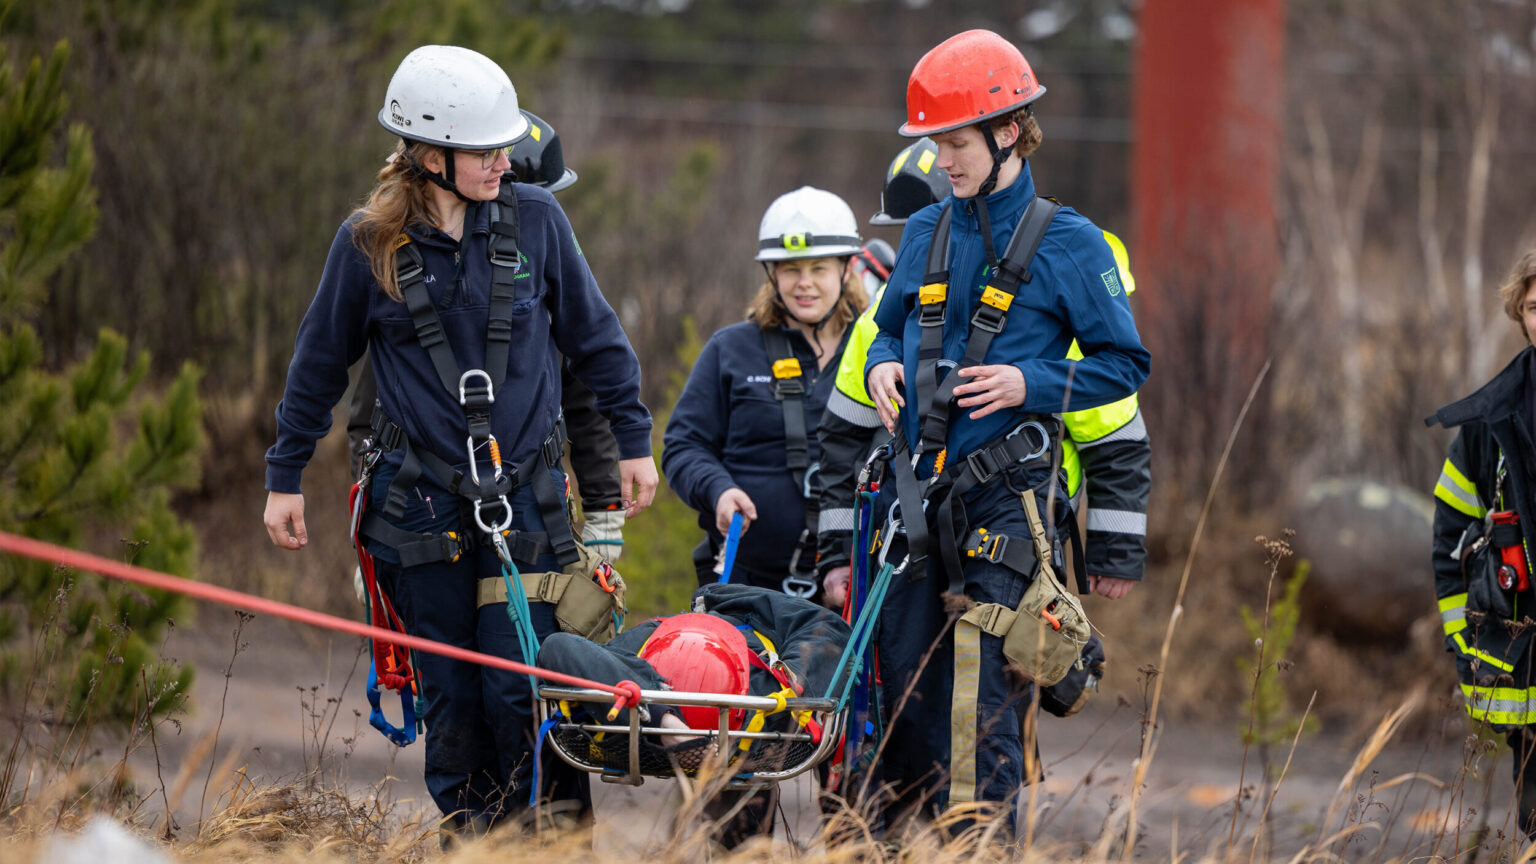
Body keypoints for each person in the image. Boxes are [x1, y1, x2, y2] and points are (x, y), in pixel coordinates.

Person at [261, 45, 658, 834]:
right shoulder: (368, 244)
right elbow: (318, 365)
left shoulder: (538, 220)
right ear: (429, 156)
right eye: (485, 151)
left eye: (503, 148)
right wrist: (285, 475)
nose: (504, 161)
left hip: (528, 506)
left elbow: (597, 338)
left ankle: (549, 844)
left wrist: (634, 439)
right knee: (454, 700)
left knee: (525, 686)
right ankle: (474, 843)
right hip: (421, 510)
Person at [861, 30, 1150, 834]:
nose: (942, 161)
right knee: (901, 707)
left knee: (980, 714)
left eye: (956, 143)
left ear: (1009, 132)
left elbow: (1127, 363)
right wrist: (882, 366)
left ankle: (979, 849)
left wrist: (1034, 383)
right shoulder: (925, 230)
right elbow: (886, 333)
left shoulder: (1071, 243)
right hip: (916, 506)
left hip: (1006, 512)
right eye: (935, 143)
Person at [817, 140, 1151, 612]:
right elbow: (841, 440)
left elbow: (1117, 441)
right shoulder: (882, 318)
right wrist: (838, 553)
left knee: (1007, 652)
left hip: (1020, 514)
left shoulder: (1053, 304)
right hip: (911, 515)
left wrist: (1115, 551)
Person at [344, 109, 628, 558]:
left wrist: (604, 506)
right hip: (424, 505)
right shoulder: (416, 281)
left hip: (526, 497)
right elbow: (370, 413)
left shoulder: (542, 278)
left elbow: (587, 390)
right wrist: (374, 512)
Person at [663, 187, 868, 601]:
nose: (804, 283)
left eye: (819, 268)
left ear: (847, 270)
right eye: (790, 269)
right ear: (772, 274)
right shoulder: (730, 350)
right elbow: (684, 446)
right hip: (746, 585)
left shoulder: (878, 351)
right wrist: (718, 490)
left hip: (854, 585)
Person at [1428, 249, 1536, 840]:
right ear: (1519, 314)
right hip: (1527, 661)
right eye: (1535, 306)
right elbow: (1450, 542)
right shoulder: (1488, 422)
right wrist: (1464, 641)